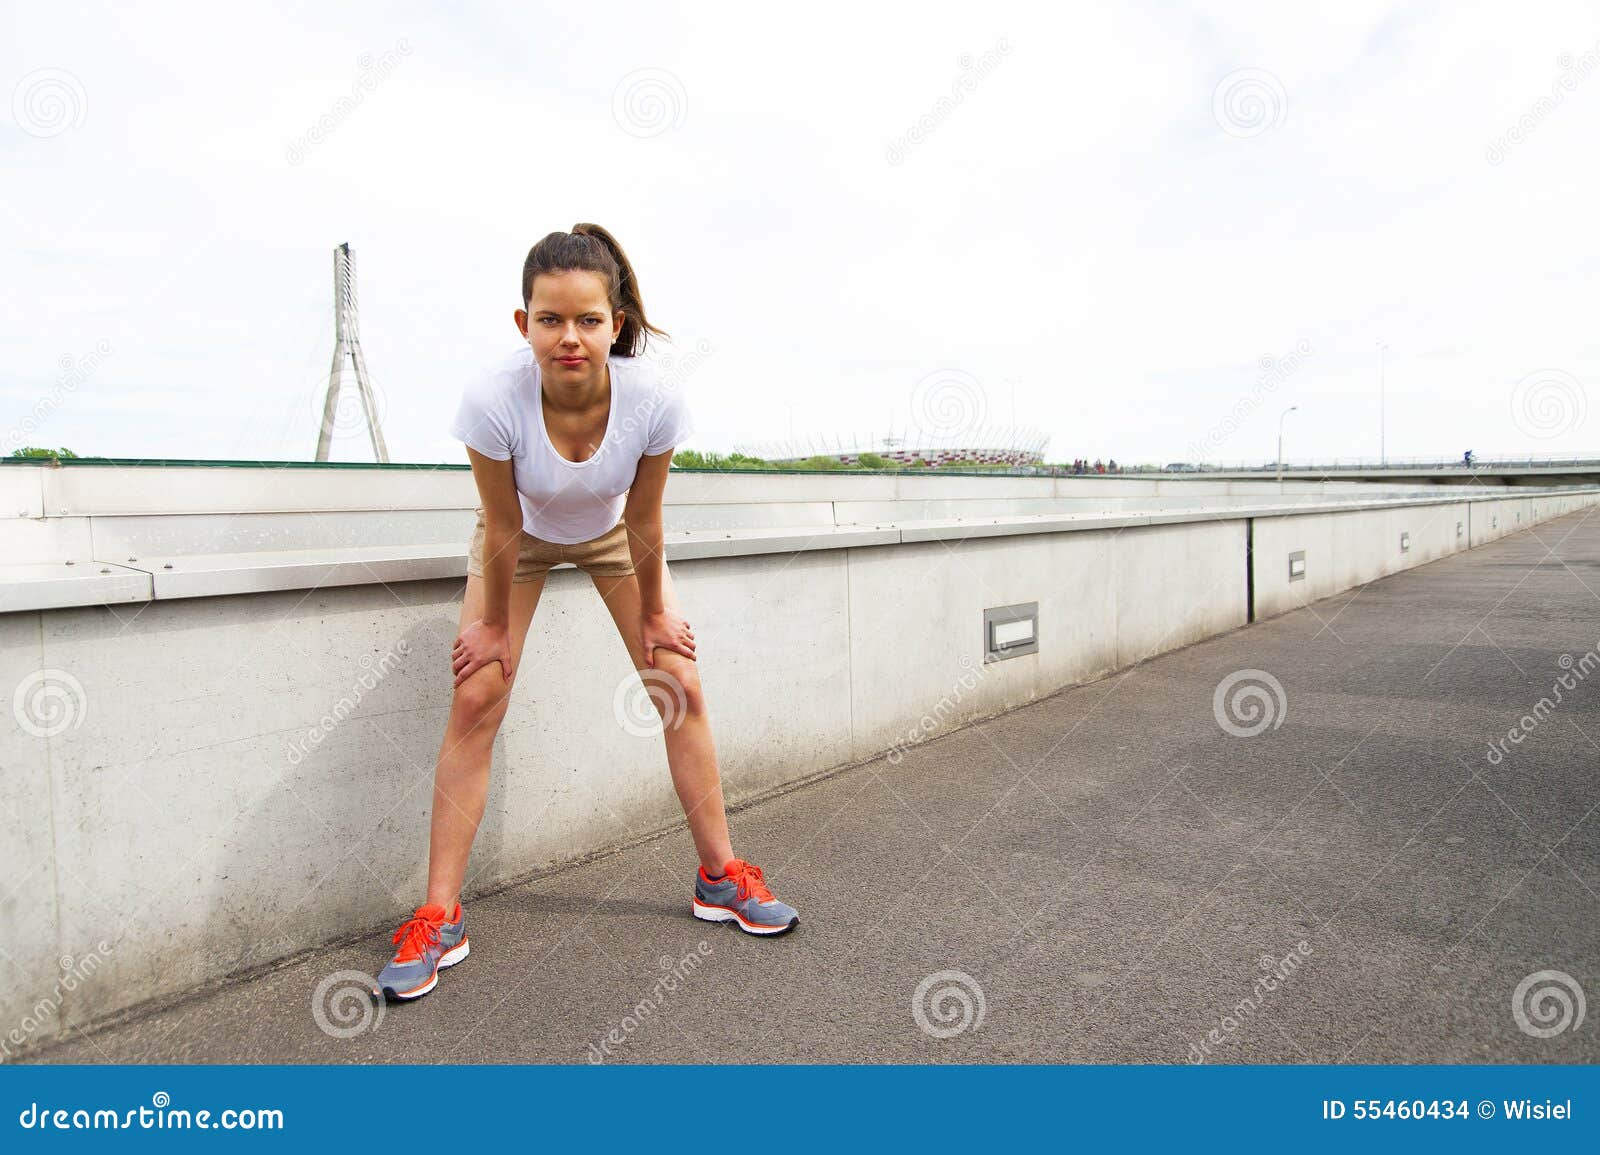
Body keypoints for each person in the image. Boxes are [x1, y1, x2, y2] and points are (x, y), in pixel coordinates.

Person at [374, 224, 799, 1003]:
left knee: (679, 682)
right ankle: (439, 916)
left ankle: (721, 876)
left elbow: (645, 520)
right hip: (521, 538)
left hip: (613, 535)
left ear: (617, 324)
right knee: (477, 694)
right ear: (523, 323)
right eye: (549, 320)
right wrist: (493, 628)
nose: (569, 337)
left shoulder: (655, 400)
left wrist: (656, 617)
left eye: (589, 320)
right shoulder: (491, 399)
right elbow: (502, 525)